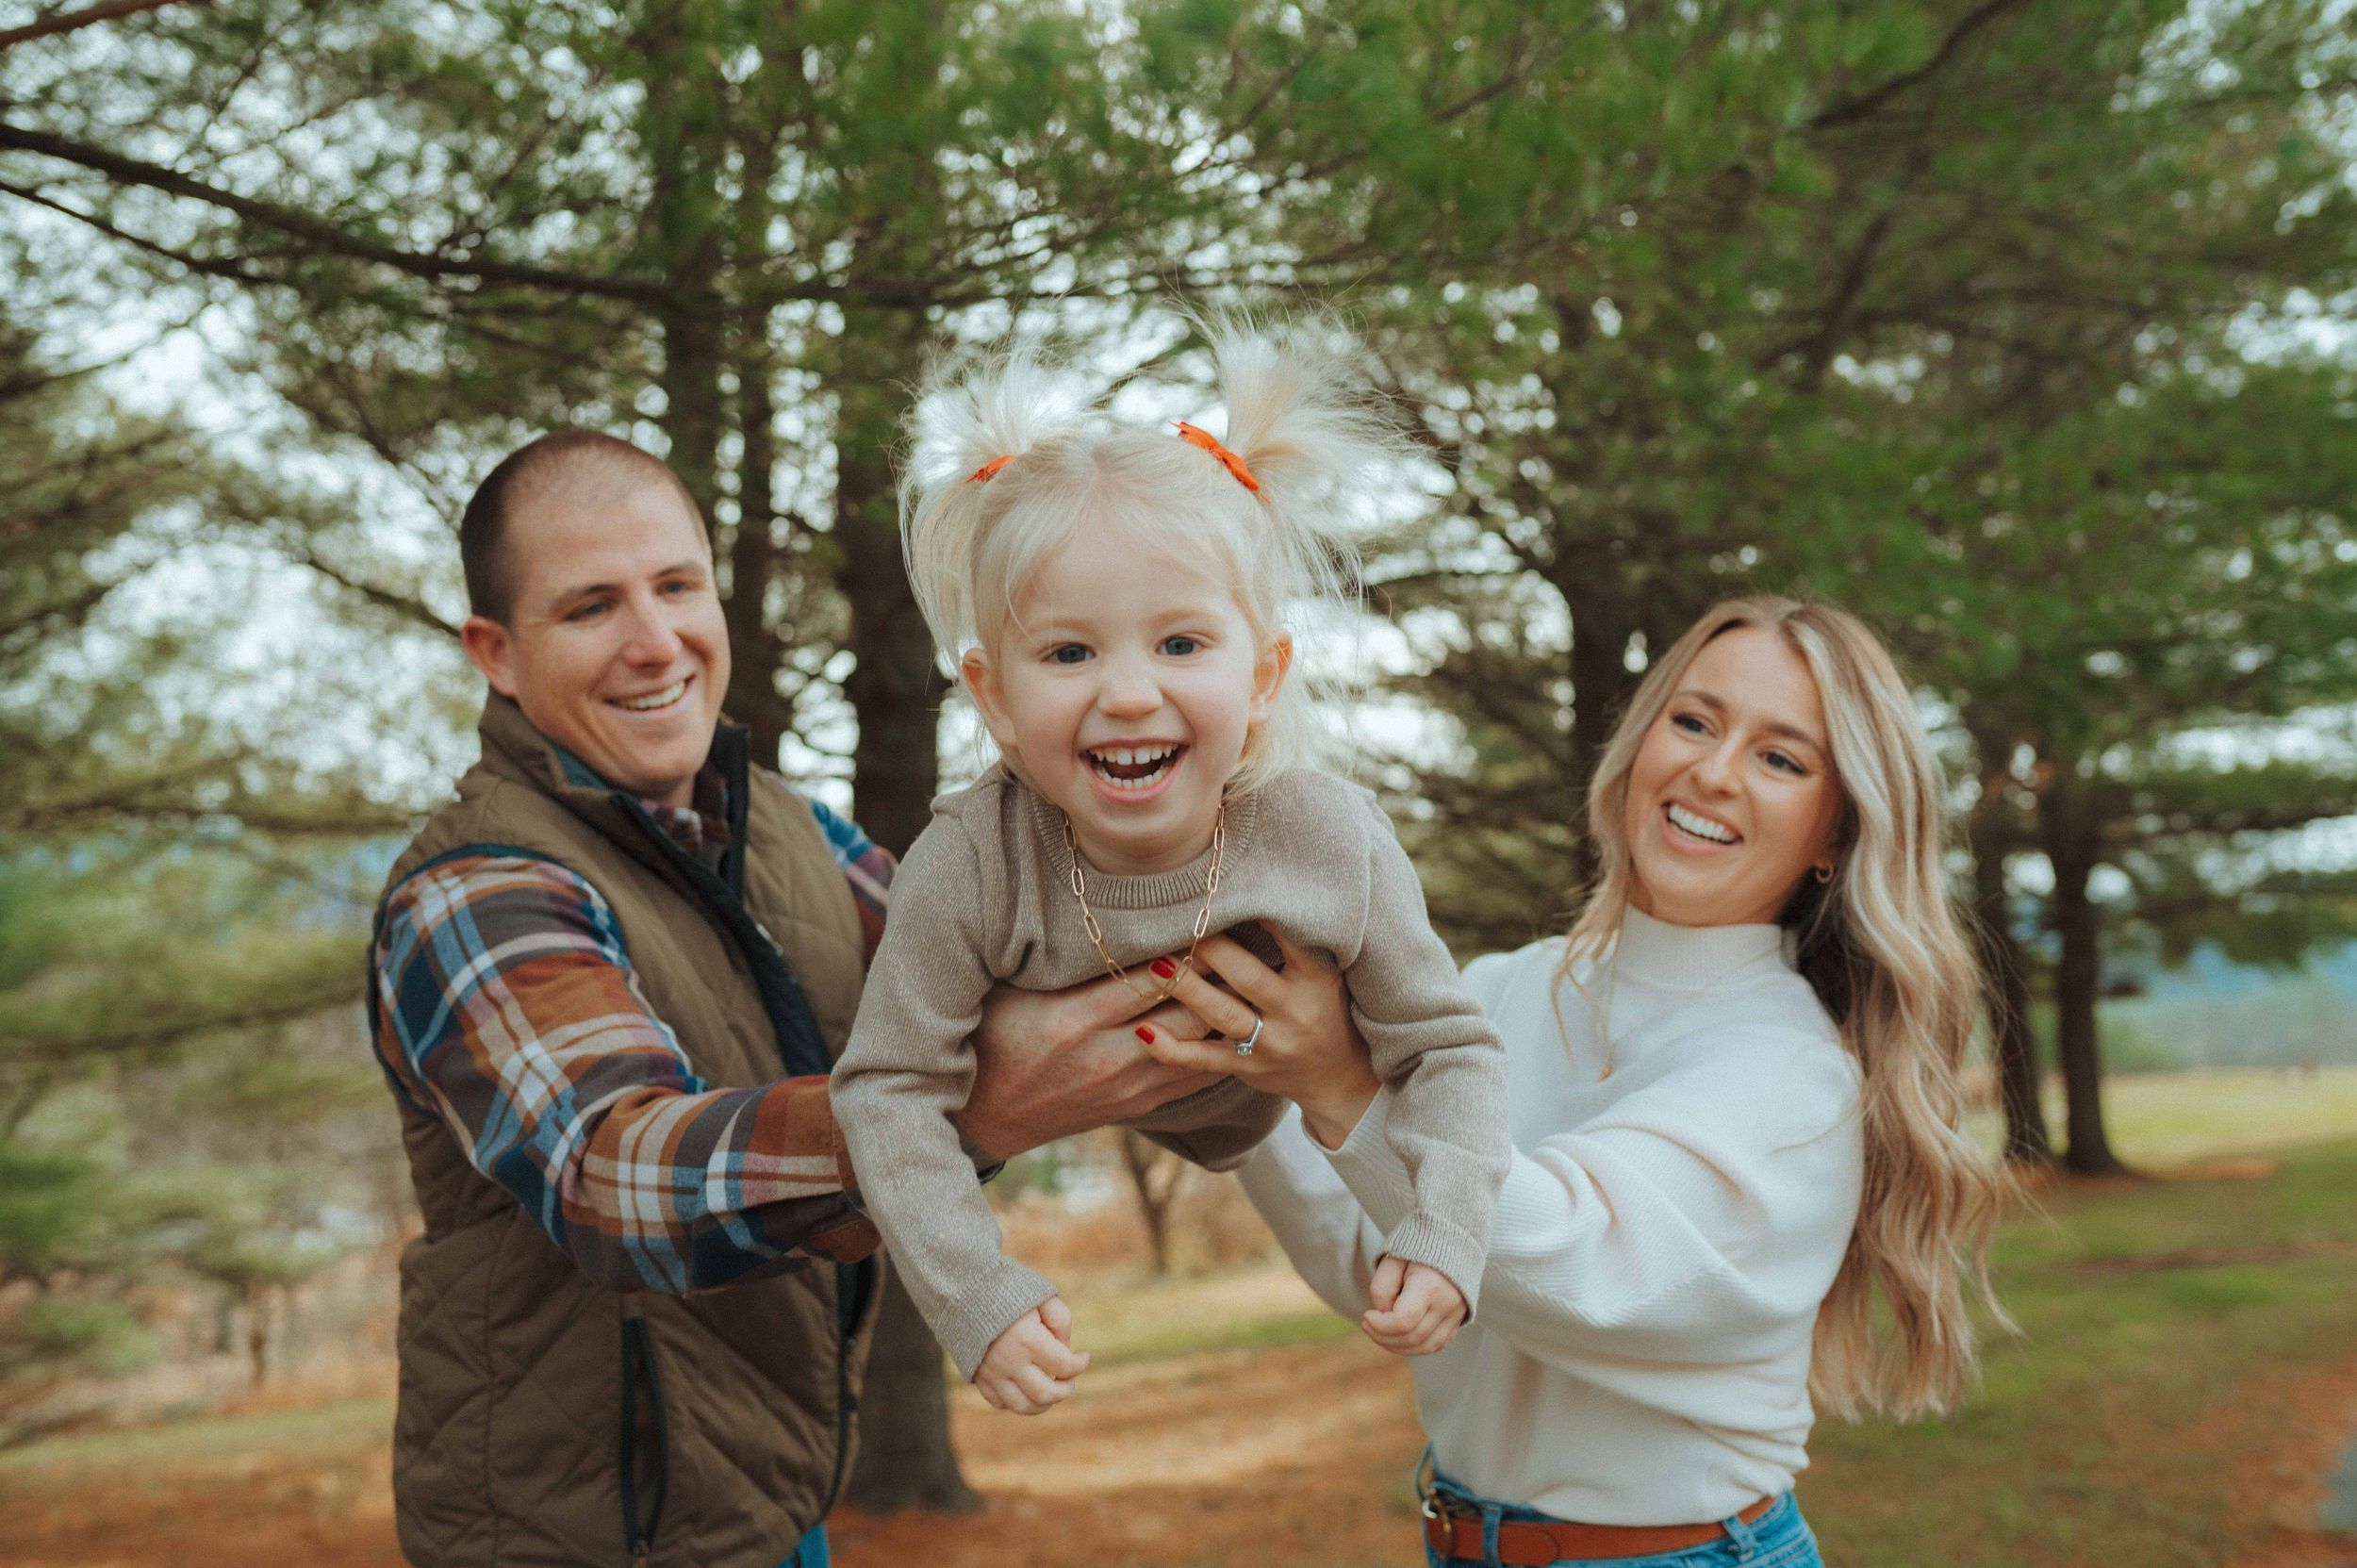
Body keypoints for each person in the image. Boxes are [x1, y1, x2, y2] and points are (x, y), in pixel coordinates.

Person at [365, 430, 1208, 1568]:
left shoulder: (795, 829)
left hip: (773, 1511)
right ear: (496, 653)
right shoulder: (475, 889)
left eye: (676, 586)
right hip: (579, 1545)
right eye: (590, 608)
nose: (655, 640)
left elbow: (1013, 980)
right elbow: (615, 1177)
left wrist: (1197, 852)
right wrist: (964, 1116)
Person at [1093, 595, 2008, 1567]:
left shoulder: (1794, 1075)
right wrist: (1212, 1036)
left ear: (1834, 834)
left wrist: (1335, 1081)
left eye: (1779, 758)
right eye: (1693, 721)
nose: (1712, 770)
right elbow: (1382, 1261)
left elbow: (1567, 1261)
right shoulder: (1499, 991)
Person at [829, 321, 1512, 1416]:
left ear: (1263, 676)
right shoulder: (967, 864)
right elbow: (888, 1086)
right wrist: (975, 1292)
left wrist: (1445, 1230)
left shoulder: (1329, 841)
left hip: (1262, 1123)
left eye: (1181, 644)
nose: (1129, 692)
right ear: (993, 696)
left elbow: (1450, 1049)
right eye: (1067, 652)